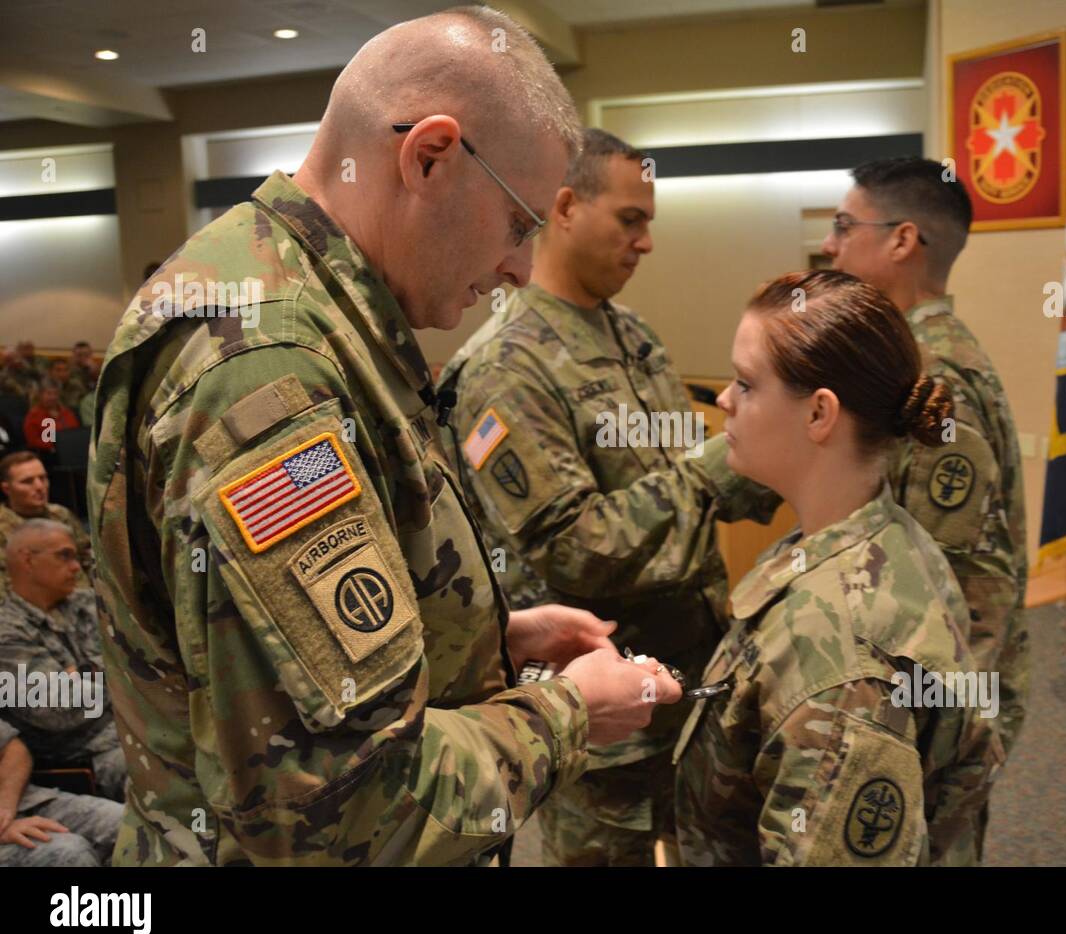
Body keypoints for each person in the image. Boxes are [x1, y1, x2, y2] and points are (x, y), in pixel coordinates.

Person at [87, 7, 680, 867]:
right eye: (520, 224)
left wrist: (479, 634)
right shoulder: (267, 368)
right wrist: (572, 713)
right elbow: (349, 803)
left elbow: (269, 654)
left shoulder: (310, 304)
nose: (520, 268)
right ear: (429, 157)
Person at [439, 128, 779, 866]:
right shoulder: (505, 366)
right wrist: (717, 469)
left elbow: (688, 486)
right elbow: (578, 549)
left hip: (692, 680)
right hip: (602, 718)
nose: (646, 242)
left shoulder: (634, 337)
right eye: (631, 219)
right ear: (564, 207)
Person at [673, 270, 1002, 866]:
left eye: (746, 384)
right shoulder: (873, 535)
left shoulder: (846, 671)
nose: (723, 399)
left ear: (820, 414)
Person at [823, 157, 1027, 861]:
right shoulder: (920, 356)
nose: (831, 245)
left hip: (941, 715)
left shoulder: (934, 378)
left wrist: (914, 738)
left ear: (903, 240)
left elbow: (960, 586)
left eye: (845, 227)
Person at [0, 520, 124, 800]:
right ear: (28, 560)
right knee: (174, 780)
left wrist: (80, 674)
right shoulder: (7, 632)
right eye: (64, 556)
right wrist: (114, 667)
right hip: (87, 755)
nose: (76, 567)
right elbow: (59, 708)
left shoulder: (87, 604)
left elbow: (144, 659)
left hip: (136, 729)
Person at [0, 717, 122, 866]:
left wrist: (5, 805)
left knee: (127, 824)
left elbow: (14, 750)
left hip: (21, 801)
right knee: (69, 853)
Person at [0, 452, 93, 599]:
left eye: (42, 478)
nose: (39, 486)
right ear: (7, 488)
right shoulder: (3, 527)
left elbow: (87, 557)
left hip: (83, 601)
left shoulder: (60, 515)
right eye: (27, 481)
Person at [23, 381, 79, 452]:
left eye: (55, 393)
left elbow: (76, 433)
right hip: (48, 454)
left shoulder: (67, 413)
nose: (52, 397)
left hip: (72, 450)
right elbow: (33, 441)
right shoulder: (33, 415)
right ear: (40, 395)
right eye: (49, 393)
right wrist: (57, 445)